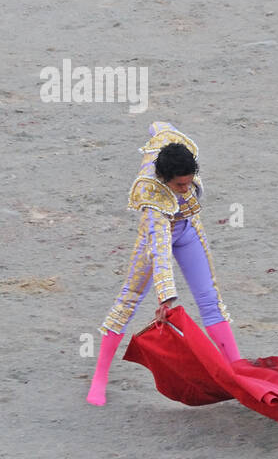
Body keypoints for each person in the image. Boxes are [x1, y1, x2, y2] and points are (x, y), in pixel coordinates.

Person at [87, 122, 241, 405]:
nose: (186, 189)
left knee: (210, 299)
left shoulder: (175, 145)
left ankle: (238, 371)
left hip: (189, 229)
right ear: (164, 179)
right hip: (156, 237)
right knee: (128, 301)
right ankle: (100, 378)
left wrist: (155, 125)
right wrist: (165, 298)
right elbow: (160, 251)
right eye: (180, 185)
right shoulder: (152, 198)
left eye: (189, 182)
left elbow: (160, 127)